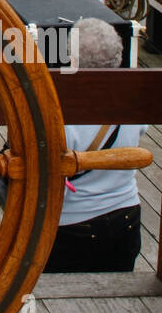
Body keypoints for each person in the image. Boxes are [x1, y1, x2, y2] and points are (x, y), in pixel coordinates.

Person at [45, 17, 145, 273]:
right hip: (127, 218)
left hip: (72, 227)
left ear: (73, 60)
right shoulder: (135, 100)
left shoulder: (61, 113)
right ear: (119, 56)